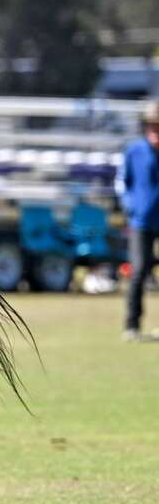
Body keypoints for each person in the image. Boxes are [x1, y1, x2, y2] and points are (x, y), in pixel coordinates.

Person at [118, 100, 159, 340]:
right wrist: (130, 207)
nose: (156, 131)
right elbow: (122, 182)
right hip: (141, 222)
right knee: (139, 270)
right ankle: (132, 325)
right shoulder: (134, 151)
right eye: (153, 125)